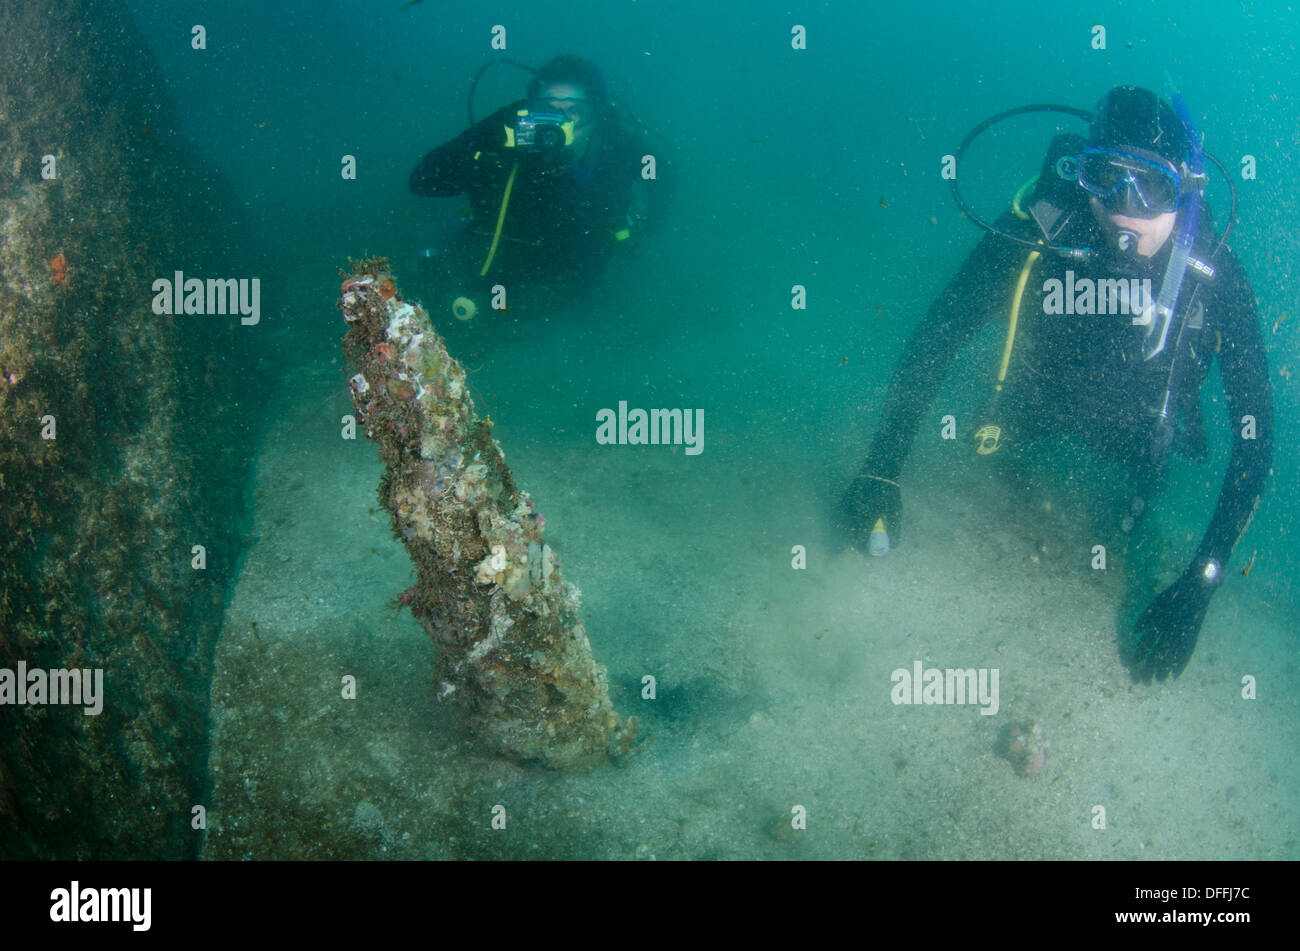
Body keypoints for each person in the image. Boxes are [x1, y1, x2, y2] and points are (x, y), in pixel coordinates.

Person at [835, 86, 1274, 683]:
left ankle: (1134, 499)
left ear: (1187, 192)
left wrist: (1202, 582)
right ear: (1079, 173)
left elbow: (1256, 433)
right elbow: (941, 331)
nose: (1126, 206)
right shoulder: (1042, 231)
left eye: (1153, 187)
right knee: (1005, 454)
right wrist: (880, 468)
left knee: (1137, 491)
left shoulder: (1214, 272)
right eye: (1105, 177)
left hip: (1139, 435)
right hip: (1033, 406)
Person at [409, 54, 667, 322]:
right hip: (492, 266)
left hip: (571, 279)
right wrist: (491, 136)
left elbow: (662, 179)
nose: (559, 123)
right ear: (530, 108)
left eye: (574, 111)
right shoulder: (508, 140)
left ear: (596, 114)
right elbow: (422, 181)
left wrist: (642, 228)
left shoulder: (616, 149)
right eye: (548, 109)